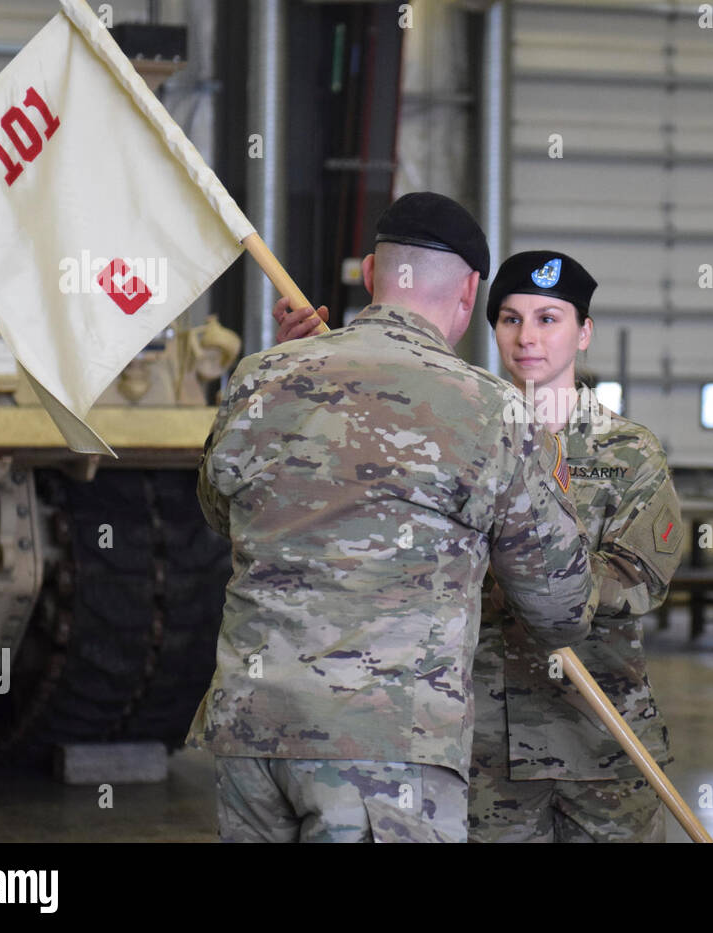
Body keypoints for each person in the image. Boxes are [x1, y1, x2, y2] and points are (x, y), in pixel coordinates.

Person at [189, 192, 594, 843]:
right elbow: (560, 606)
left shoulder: (259, 377)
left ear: (372, 276)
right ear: (469, 293)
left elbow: (218, 509)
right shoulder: (490, 409)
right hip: (383, 743)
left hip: (251, 732)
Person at [279, 250, 685, 843]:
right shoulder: (456, 434)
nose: (527, 338)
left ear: (585, 332)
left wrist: (523, 579)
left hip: (598, 740)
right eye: (510, 319)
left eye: (549, 319)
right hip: (479, 744)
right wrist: (312, 365)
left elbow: (641, 578)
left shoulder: (629, 452)